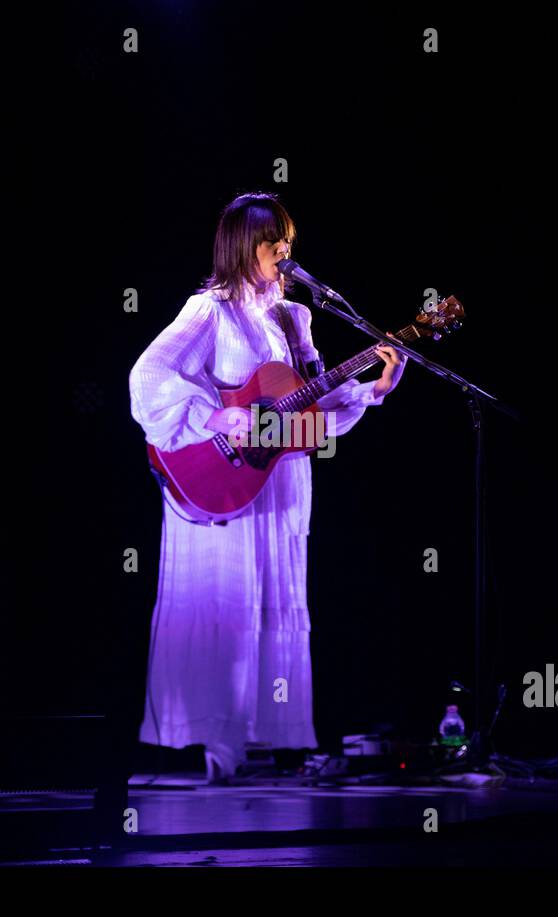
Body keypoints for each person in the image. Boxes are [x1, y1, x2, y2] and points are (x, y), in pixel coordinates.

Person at [128, 192, 405, 782]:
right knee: (228, 603)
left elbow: (307, 409)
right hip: (221, 477)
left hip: (276, 482)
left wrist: (371, 391)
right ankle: (219, 743)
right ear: (241, 245)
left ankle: (264, 738)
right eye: (272, 239)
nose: (284, 250)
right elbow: (148, 376)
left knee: (270, 604)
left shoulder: (292, 316)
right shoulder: (210, 310)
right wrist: (217, 417)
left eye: (288, 241)